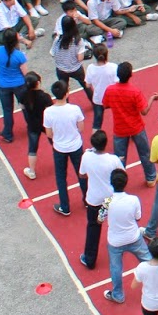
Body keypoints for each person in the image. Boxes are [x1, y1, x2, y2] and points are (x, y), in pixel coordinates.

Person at [104, 61, 158, 185]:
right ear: (130, 75)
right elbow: (144, 111)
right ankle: (151, 178)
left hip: (120, 129)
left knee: (119, 158)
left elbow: (105, 104)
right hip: (136, 127)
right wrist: (151, 99)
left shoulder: (110, 90)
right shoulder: (134, 91)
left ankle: (118, 184)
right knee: (145, 153)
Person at [100, 168, 149, 302]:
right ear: (126, 183)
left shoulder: (108, 201)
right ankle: (156, 282)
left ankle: (118, 295)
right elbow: (138, 217)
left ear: (111, 183)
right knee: (148, 260)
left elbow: (99, 219)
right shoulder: (133, 199)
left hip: (115, 241)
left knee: (116, 269)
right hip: (133, 237)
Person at [42, 80, 87, 216]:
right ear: (67, 93)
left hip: (59, 147)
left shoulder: (48, 112)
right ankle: (87, 200)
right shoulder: (75, 109)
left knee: (61, 177)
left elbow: (49, 133)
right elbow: (81, 128)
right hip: (75, 146)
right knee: (82, 174)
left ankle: (65, 206)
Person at [78, 130, 121, 270]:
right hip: (109, 198)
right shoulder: (113, 160)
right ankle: (121, 244)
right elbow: (122, 175)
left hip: (94, 199)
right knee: (114, 221)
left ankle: (90, 259)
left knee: (93, 227)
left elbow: (82, 175)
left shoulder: (86, 156)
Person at [0, 30, 29, 143]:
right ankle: (32, 127)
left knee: (7, 110)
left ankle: (7, 134)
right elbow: (25, 73)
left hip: (3, 85)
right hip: (19, 85)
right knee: (24, 106)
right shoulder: (19, 55)